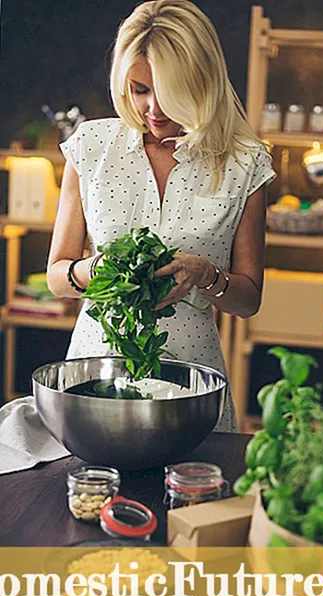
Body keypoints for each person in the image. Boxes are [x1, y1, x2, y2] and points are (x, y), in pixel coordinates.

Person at [46, 0, 276, 432]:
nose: (153, 108)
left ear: (202, 83)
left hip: (192, 383)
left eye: (170, 93)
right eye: (139, 90)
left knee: (193, 497)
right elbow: (57, 277)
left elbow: (249, 300)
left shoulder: (245, 164)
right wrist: (95, 270)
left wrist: (206, 275)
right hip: (94, 375)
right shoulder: (92, 147)